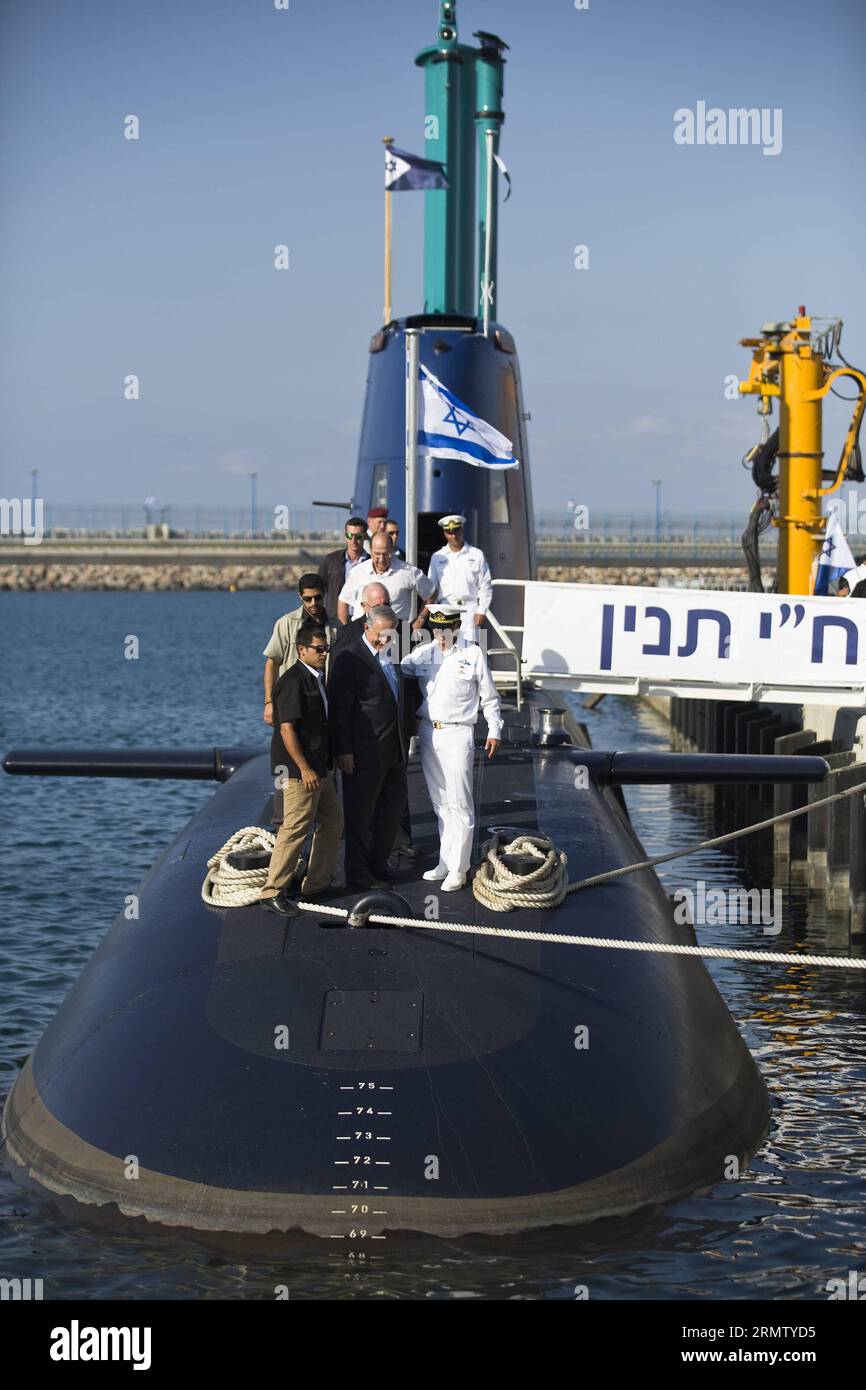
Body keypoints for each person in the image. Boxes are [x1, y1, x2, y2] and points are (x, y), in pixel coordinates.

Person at [400, 605, 501, 892]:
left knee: (460, 803)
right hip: (429, 731)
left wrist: (495, 729)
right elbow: (392, 667)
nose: (441, 635)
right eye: (436, 629)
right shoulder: (423, 653)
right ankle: (446, 861)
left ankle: (460, 868)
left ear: (457, 627)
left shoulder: (473, 654)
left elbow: (490, 697)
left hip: (459, 732)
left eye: (446, 629)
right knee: (441, 802)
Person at [259, 622, 343, 916]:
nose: (324, 654)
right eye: (318, 650)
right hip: (300, 773)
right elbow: (286, 729)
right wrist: (305, 769)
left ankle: (316, 884)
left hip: (322, 769)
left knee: (332, 823)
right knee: (294, 829)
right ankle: (273, 891)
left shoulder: (317, 678)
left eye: (326, 649)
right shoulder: (293, 681)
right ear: (301, 650)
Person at [329, 605, 411, 890]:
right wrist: (343, 751)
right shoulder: (349, 659)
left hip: (394, 750)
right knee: (360, 817)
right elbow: (340, 710)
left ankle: (379, 864)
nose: (385, 641)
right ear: (366, 627)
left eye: (390, 636)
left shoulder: (393, 655)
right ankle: (358, 874)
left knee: (390, 813)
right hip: (363, 753)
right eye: (380, 636)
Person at [262, 574, 338, 726]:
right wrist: (269, 702)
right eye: (307, 599)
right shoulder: (285, 623)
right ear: (300, 596)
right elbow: (272, 662)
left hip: (326, 699)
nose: (313, 603)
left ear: (325, 593)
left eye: (318, 597)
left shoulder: (337, 626)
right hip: (293, 699)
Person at [420, 514, 493, 639]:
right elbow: (432, 588)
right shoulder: (437, 557)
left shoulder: (476, 554)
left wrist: (482, 610)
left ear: (462, 530)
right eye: (449, 532)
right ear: (445, 534)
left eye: (457, 531)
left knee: (469, 648)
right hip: (446, 608)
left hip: (469, 609)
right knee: (446, 648)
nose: (454, 536)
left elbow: (485, 585)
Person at [337, 532, 435, 624]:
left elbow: (431, 593)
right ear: (370, 550)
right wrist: (347, 631)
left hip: (397, 633)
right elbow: (343, 601)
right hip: (362, 633)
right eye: (377, 554)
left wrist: (418, 622)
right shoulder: (358, 571)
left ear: (392, 550)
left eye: (385, 554)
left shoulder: (408, 571)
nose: (381, 559)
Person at [317, 517, 368, 616]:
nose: (353, 540)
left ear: (364, 537)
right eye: (349, 535)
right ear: (345, 536)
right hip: (335, 621)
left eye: (358, 536)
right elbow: (319, 591)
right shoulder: (330, 560)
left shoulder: (371, 563)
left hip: (363, 621)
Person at [332, 581, 390, 656]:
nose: (383, 610)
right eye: (377, 607)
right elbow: (340, 664)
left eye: (386, 605)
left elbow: (407, 664)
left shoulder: (403, 629)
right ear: (364, 606)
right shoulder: (348, 633)